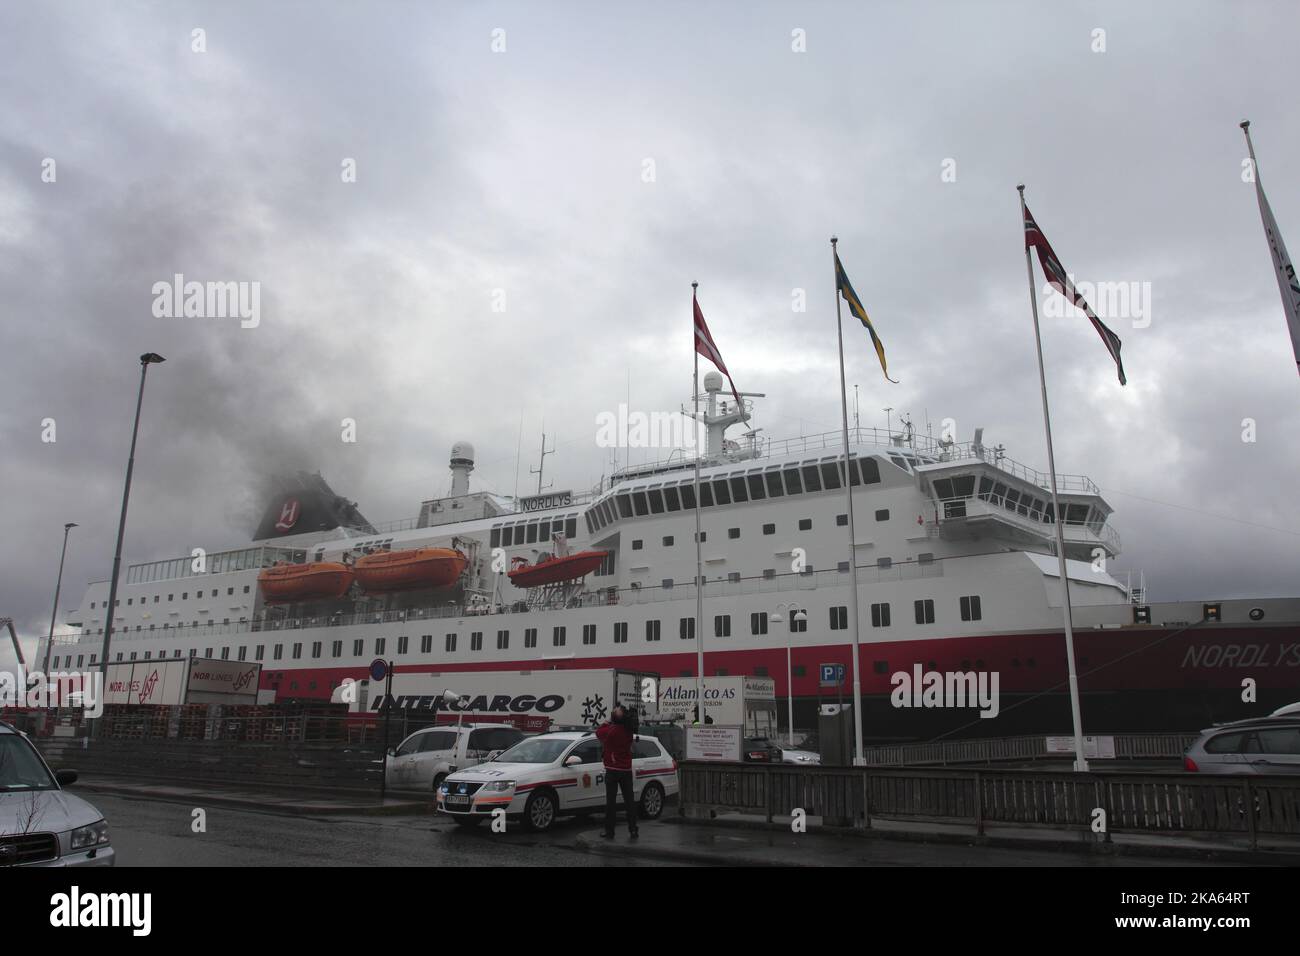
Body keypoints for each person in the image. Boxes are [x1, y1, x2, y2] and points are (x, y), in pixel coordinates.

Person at [595, 705, 638, 839]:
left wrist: (608, 720)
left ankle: (610, 831)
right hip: (626, 770)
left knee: (611, 803)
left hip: (612, 770)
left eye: (615, 711)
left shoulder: (611, 730)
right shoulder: (628, 731)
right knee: (629, 802)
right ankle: (633, 830)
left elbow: (598, 732)